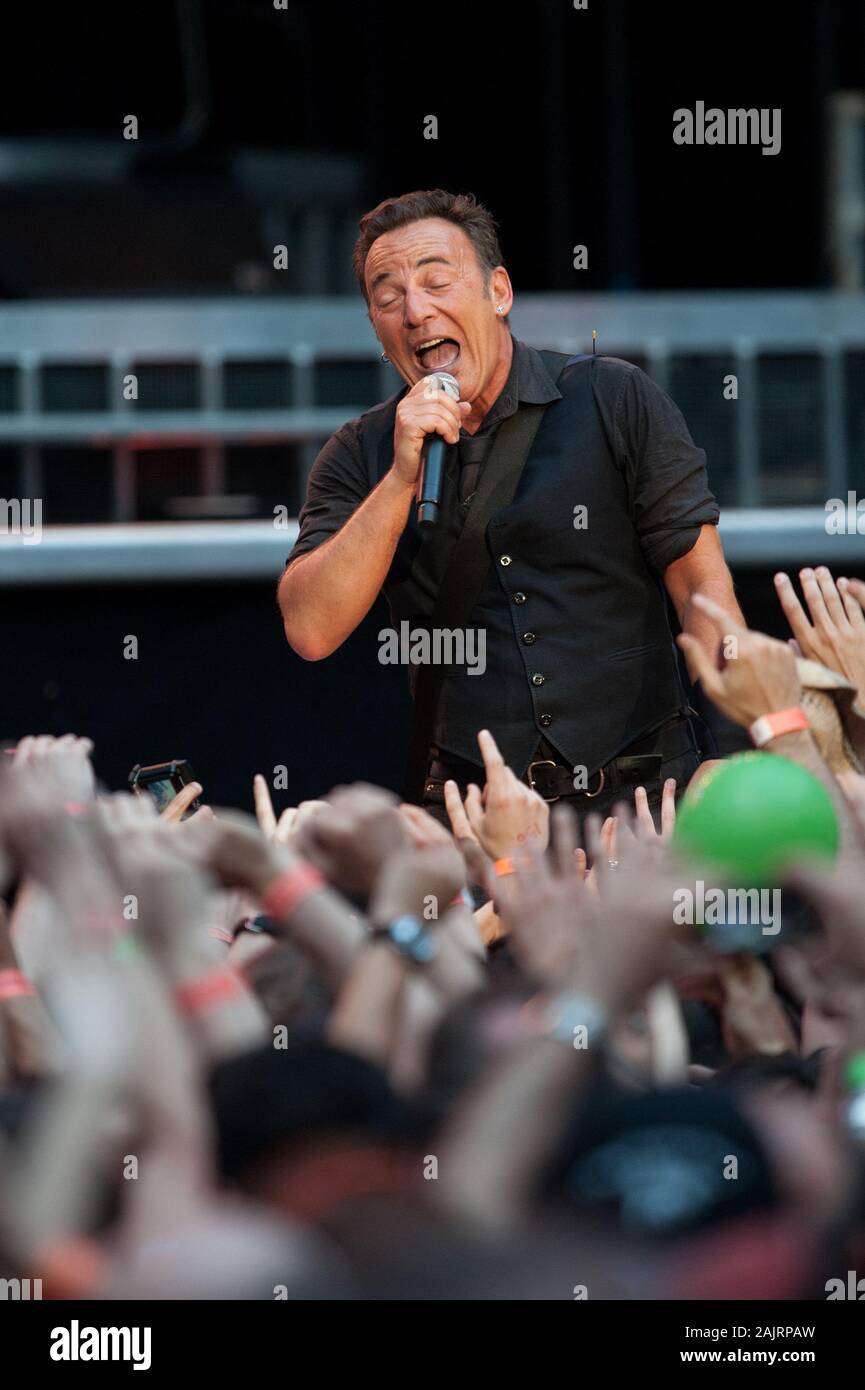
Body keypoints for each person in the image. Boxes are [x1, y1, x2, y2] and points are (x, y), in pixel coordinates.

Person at [278, 188, 745, 823]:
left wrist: (739, 744)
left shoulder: (612, 398)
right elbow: (310, 630)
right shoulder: (360, 454)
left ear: (499, 292)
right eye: (388, 298)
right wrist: (399, 481)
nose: (416, 311)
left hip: (649, 799)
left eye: (438, 282)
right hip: (479, 823)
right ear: (378, 329)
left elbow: (701, 588)